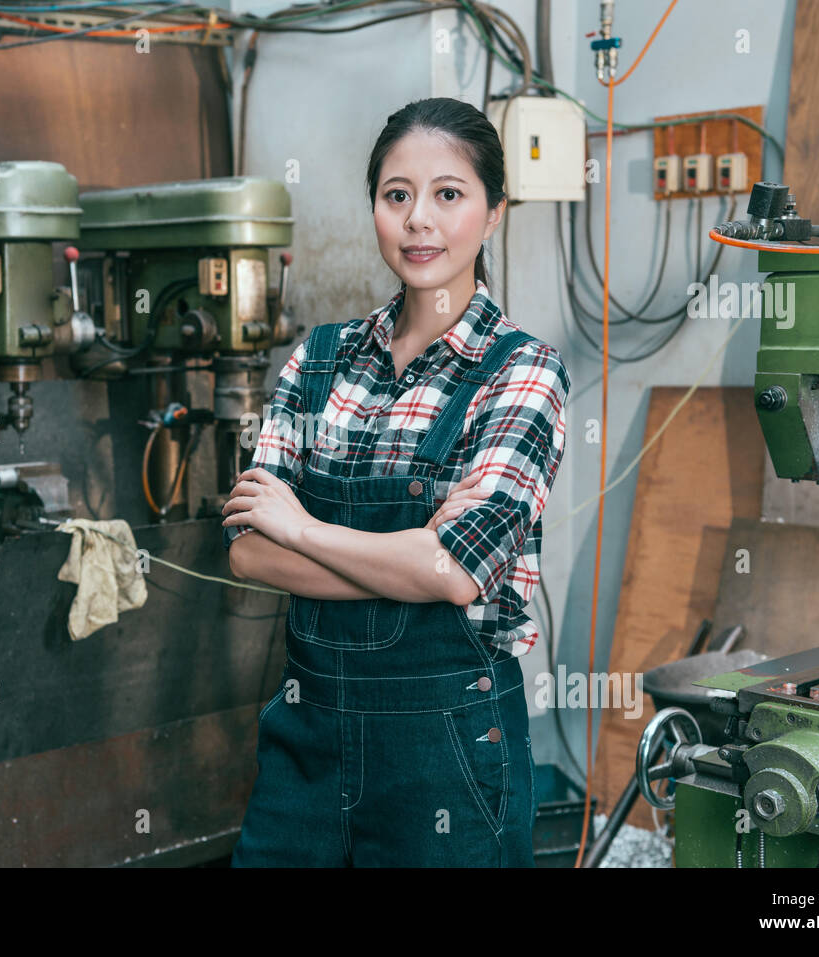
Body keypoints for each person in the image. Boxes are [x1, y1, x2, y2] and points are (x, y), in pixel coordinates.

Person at [221, 96, 570, 867]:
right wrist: (406, 557)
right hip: (305, 746)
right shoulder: (320, 360)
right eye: (397, 195)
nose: (420, 220)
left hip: (445, 752)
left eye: (449, 194)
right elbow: (248, 551)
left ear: (493, 213)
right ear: (375, 208)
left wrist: (303, 528)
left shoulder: (522, 372)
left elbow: (453, 571)